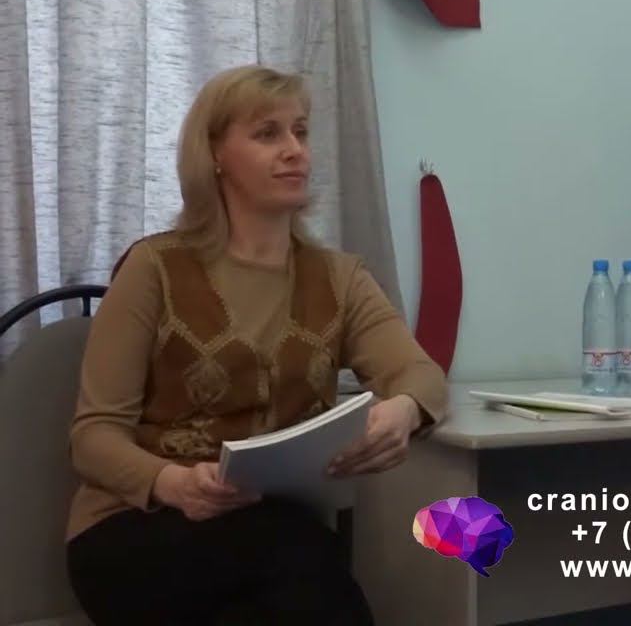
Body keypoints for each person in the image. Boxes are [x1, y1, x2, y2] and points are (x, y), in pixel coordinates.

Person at [64, 65, 448, 626]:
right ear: (214, 155)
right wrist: (174, 484)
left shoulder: (339, 278)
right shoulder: (155, 268)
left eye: (301, 131)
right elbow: (92, 437)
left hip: (272, 533)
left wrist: (405, 410)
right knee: (301, 560)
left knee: (288, 572)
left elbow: (421, 373)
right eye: (268, 133)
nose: (295, 150)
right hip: (136, 527)